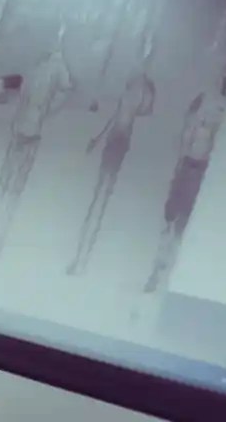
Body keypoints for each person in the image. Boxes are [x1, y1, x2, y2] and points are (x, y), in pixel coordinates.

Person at [143, 51, 226, 294]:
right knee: (169, 218)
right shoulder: (206, 97)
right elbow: (188, 125)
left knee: (184, 225)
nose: (224, 71)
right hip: (187, 164)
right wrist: (180, 157)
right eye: (225, 65)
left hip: (203, 172)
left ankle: (167, 274)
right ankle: (156, 271)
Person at [0, 23, 75, 259]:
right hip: (18, 130)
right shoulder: (37, 63)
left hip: (31, 134)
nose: (53, 39)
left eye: (58, 35)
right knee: (3, 186)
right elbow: (22, 85)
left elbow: (66, 91)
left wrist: (45, 111)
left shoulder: (58, 66)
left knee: (13, 190)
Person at [67, 31, 156, 276]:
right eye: (140, 50)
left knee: (100, 197)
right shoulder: (136, 82)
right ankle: (80, 258)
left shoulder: (142, 85)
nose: (139, 56)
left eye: (144, 51)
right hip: (114, 139)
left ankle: (82, 260)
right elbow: (121, 113)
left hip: (119, 142)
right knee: (99, 196)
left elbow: (140, 114)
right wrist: (96, 138)